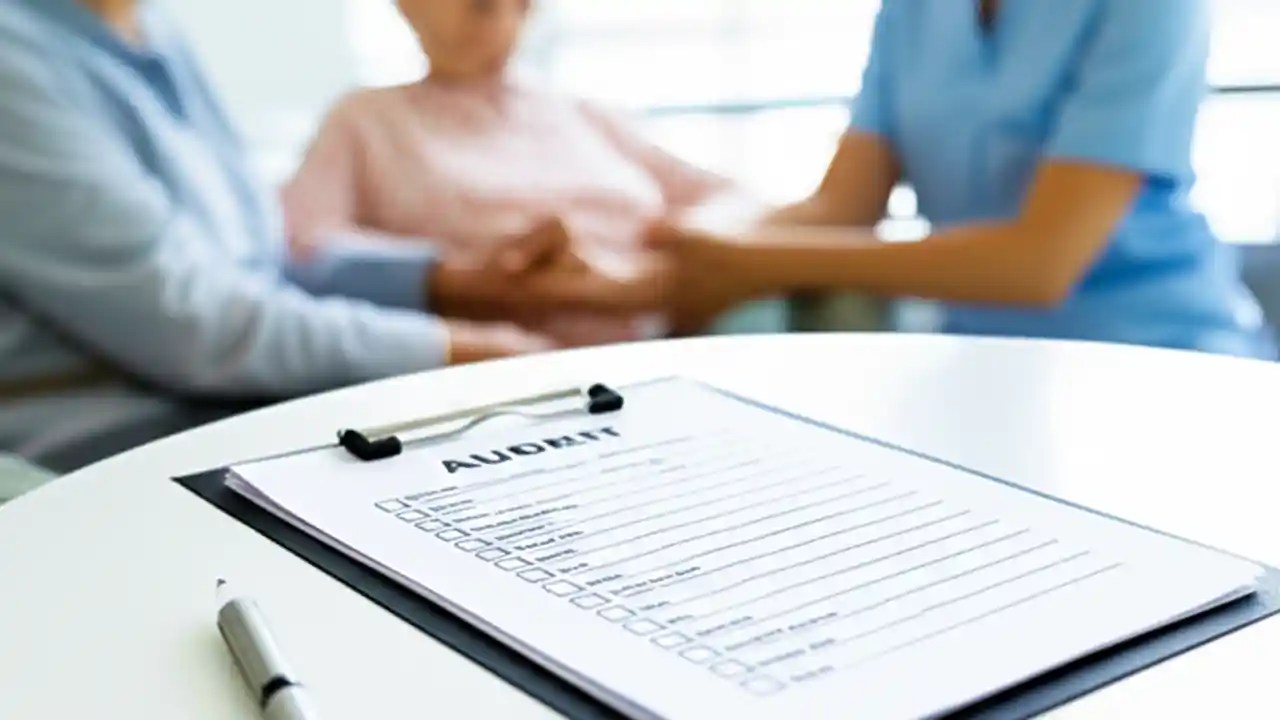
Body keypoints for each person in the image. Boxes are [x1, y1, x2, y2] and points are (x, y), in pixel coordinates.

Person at [0, 0, 653, 472]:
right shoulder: (16, 60)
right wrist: (455, 347)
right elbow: (195, 325)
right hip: (108, 443)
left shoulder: (151, 29)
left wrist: (446, 280)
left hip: (238, 404)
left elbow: (259, 263)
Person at [645, 0, 1273, 359]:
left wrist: (752, 262)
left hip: (1154, 354)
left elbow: (1041, 263)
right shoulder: (915, 10)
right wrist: (677, 253)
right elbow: (840, 206)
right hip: (977, 360)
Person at [284, 0, 747, 346]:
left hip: (660, 338)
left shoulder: (580, 113)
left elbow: (735, 197)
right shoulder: (364, 119)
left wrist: (675, 242)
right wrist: (453, 274)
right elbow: (303, 248)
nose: (499, 11)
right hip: (507, 362)